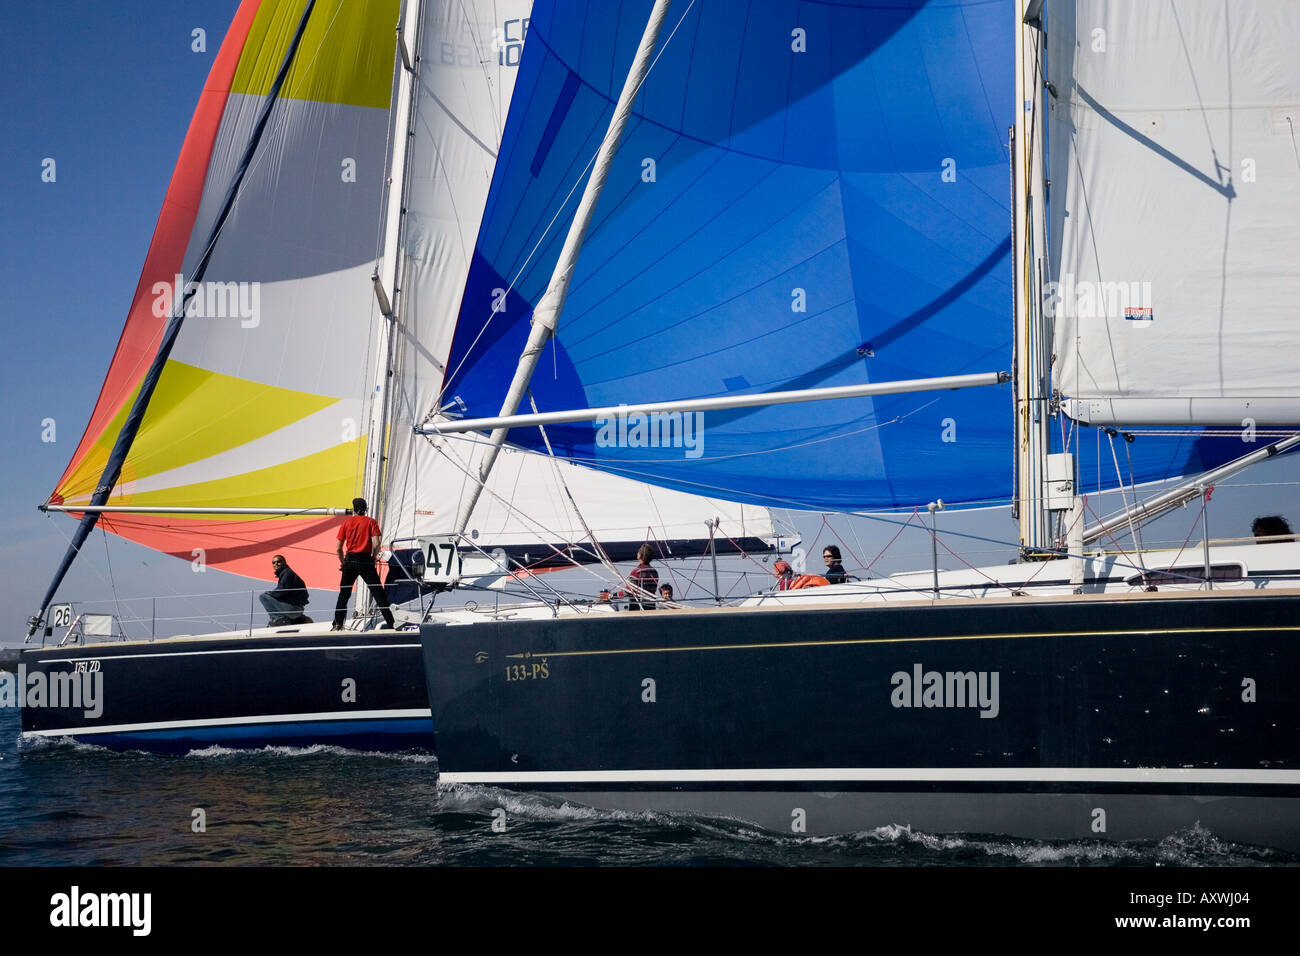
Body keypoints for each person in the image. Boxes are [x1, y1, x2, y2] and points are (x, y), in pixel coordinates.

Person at [332, 497, 396, 630]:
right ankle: (391, 623)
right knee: (378, 593)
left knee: (344, 594)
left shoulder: (346, 523)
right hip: (365, 560)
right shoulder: (371, 522)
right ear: (365, 509)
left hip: (350, 560)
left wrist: (343, 563)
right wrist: (373, 558)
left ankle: (337, 624)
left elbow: (338, 548)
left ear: (354, 509)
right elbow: (377, 543)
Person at [259, 554, 310, 626]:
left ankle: (279, 619)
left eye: (278, 561)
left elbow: (281, 591)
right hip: (297, 609)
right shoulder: (287, 573)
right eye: (273, 563)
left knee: (263, 597)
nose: (276, 564)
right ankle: (299, 619)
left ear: (284, 562)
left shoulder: (286, 573)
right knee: (272, 597)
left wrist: (269, 593)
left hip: (294, 609)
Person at [628, 544, 659, 610]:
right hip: (651, 607)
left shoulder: (636, 572)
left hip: (637, 609)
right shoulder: (655, 572)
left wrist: (612, 596)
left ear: (640, 555)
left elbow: (628, 591)